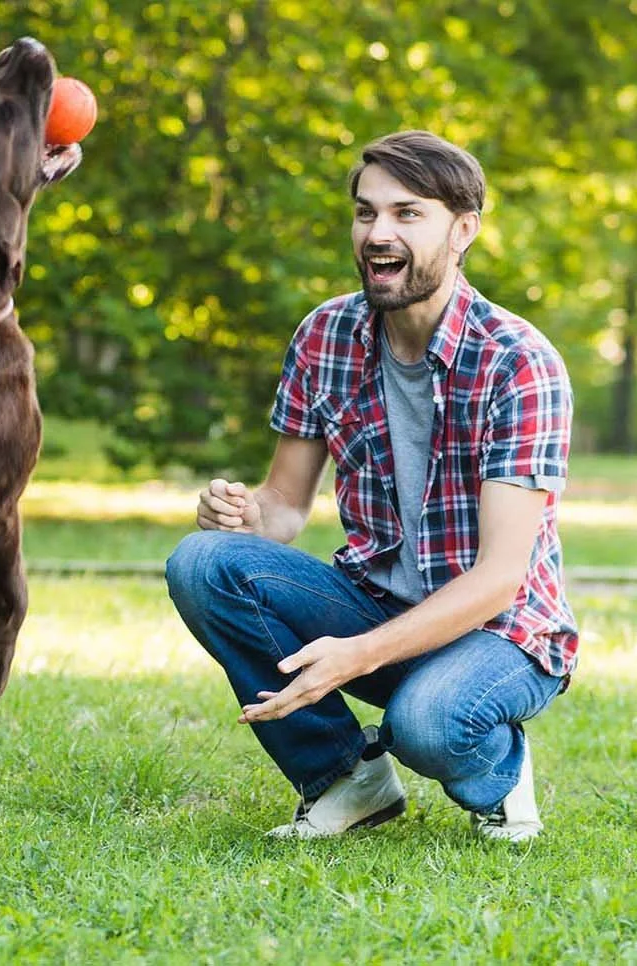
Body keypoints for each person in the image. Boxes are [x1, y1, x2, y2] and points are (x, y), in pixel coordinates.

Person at [165, 130, 576, 842]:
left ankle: (499, 772)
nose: (377, 234)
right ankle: (345, 779)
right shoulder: (325, 335)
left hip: (500, 635)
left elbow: (499, 580)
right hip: (375, 608)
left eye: (407, 214)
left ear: (463, 230)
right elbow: (285, 508)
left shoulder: (518, 363)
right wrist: (239, 512)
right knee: (202, 563)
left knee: (426, 722)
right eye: (366, 213)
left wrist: (356, 656)